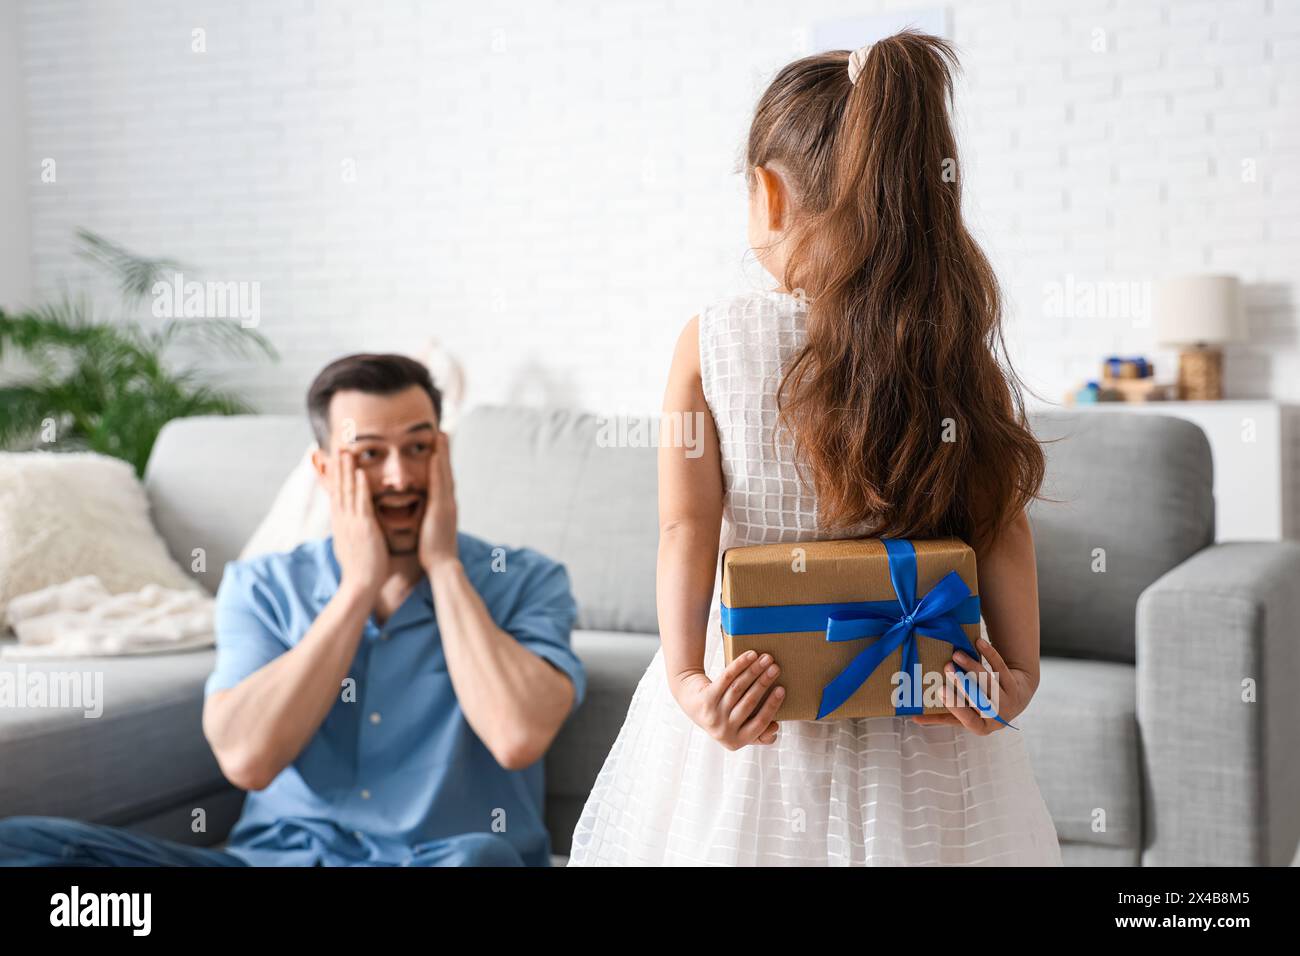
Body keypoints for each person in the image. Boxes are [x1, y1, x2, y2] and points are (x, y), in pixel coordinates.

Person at [567, 32, 1063, 865]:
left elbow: (686, 532)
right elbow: (1003, 524)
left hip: (754, 710)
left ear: (766, 194)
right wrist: (1018, 674)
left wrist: (691, 683)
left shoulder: (712, 342)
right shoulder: (957, 350)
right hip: (923, 724)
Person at [0, 353, 585, 867]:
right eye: (369, 455)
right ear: (325, 470)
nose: (400, 476)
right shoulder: (262, 588)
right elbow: (247, 760)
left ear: (445, 454)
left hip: (442, 861)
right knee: (23, 844)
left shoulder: (527, 581)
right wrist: (357, 590)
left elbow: (517, 736)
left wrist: (445, 568)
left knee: (481, 857)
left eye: (418, 448)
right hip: (276, 861)